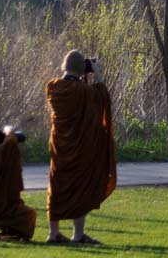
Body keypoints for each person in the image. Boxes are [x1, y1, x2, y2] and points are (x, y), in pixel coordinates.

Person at [45, 50, 116, 245]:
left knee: (57, 186)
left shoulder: (53, 88)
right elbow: (102, 97)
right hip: (81, 148)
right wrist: (98, 74)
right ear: (83, 70)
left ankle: (54, 233)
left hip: (59, 147)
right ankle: (78, 234)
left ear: (64, 66)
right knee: (81, 187)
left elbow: (70, 87)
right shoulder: (86, 92)